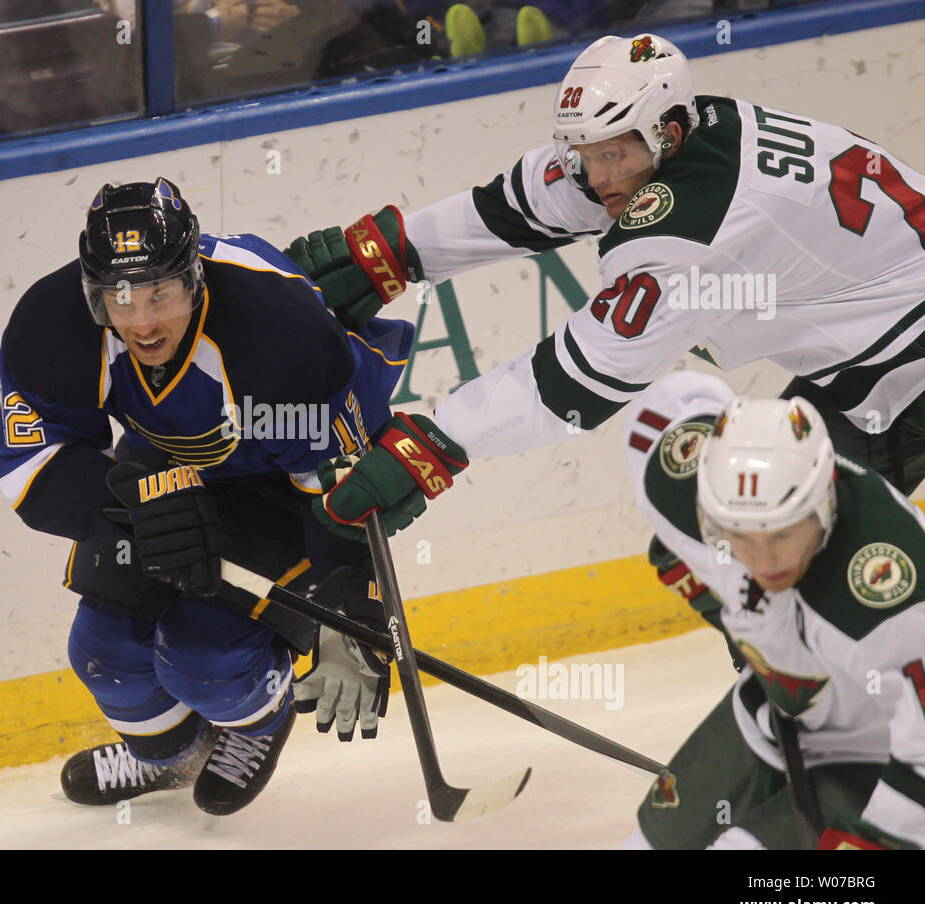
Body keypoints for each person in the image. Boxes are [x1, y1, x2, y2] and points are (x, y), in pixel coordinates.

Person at [286, 32, 925, 640]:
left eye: (611, 155)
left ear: (665, 134)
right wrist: (391, 252)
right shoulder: (690, 133)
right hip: (873, 352)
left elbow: (574, 385)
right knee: (732, 538)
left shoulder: (692, 235)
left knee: (762, 542)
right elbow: (527, 202)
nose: (597, 176)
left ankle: (822, 718)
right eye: (585, 155)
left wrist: (432, 446)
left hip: (905, 375)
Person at [0, 178, 414, 815]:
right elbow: (34, 470)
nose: (141, 320)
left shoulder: (279, 330)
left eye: (159, 292)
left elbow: (334, 486)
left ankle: (258, 721)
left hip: (281, 482)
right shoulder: (52, 328)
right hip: (164, 461)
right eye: (121, 297)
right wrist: (136, 504)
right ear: (94, 291)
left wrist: (348, 598)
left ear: (194, 280)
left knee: (206, 653)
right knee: (104, 655)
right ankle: (172, 758)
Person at [616, 370, 925, 849]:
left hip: (872, 753)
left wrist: (881, 840)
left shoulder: (886, 590)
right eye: (739, 536)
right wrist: (739, 628)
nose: (762, 562)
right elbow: (664, 405)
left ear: (825, 501)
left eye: (782, 534)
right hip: (767, 714)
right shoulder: (682, 481)